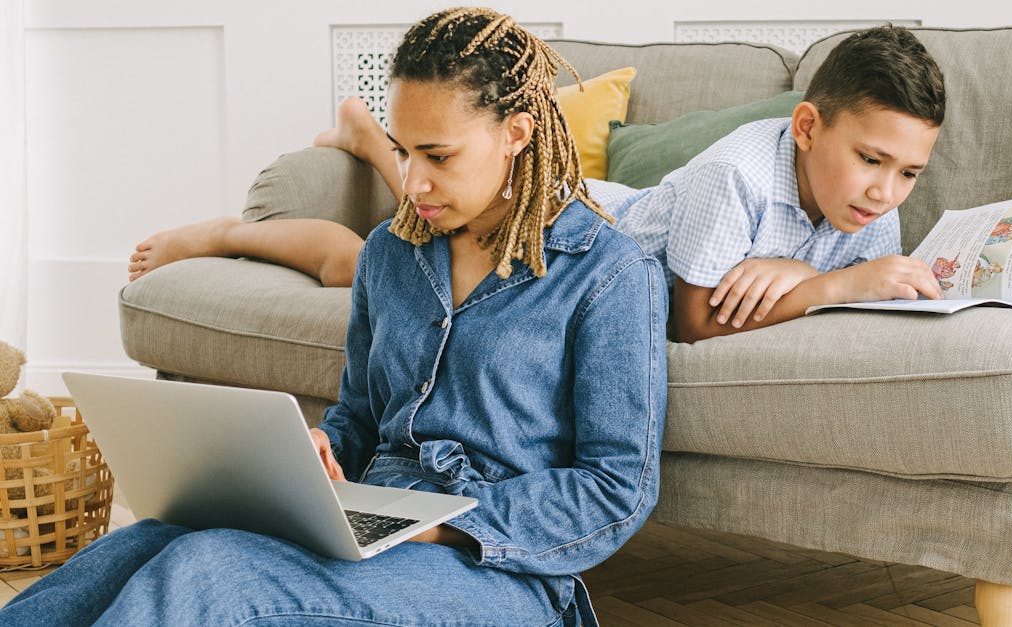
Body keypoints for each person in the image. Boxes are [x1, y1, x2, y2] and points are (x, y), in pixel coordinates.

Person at [3, 8, 666, 626]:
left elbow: (614, 489)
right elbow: (359, 418)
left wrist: (440, 522)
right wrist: (319, 453)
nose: (412, 183)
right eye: (403, 150)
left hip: (494, 568)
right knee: (147, 542)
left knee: (210, 571)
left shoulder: (607, 274)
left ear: (516, 133)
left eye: (438, 156)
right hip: (367, 523)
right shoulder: (391, 254)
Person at [126, 25, 946, 345]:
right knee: (388, 245)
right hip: (575, 222)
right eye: (872, 160)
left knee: (428, 192)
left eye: (908, 172)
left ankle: (370, 139)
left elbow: (866, 288)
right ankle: (233, 229)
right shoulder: (736, 176)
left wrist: (816, 277)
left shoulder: (861, 206)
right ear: (806, 129)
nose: (884, 191)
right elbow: (693, 319)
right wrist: (830, 281)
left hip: (606, 214)